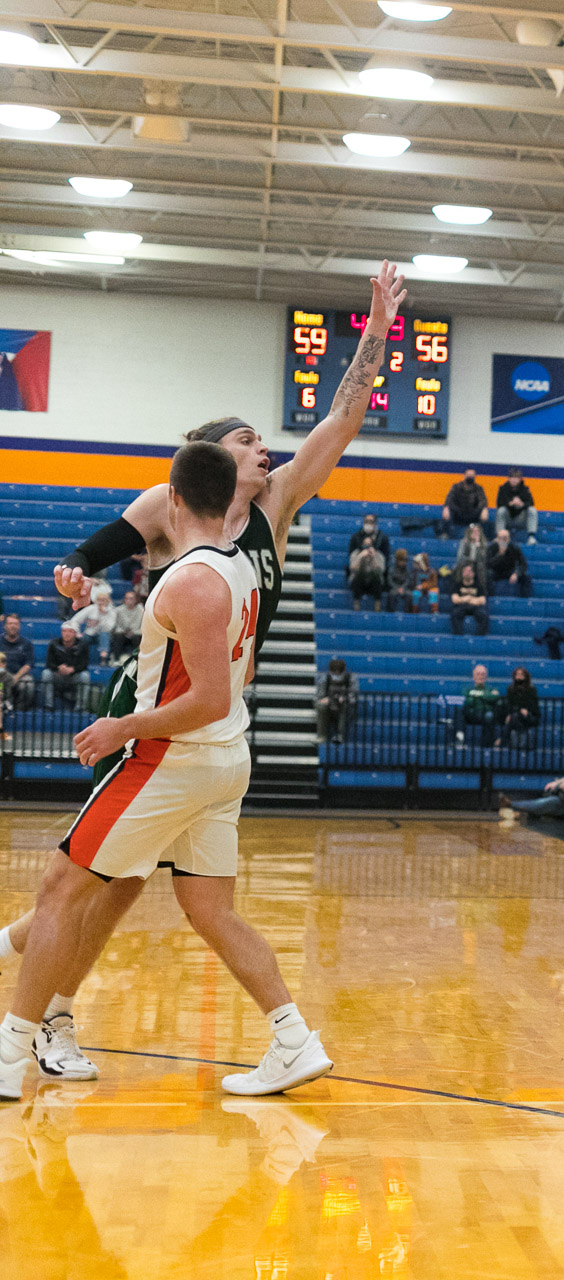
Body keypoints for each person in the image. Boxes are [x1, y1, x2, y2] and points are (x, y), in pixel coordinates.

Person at [0, 264, 407, 1080]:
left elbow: (345, 413)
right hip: (156, 706)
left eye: (263, 438)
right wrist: (76, 574)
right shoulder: (170, 504)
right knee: (101, 886)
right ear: (211, 463)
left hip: (208, 718)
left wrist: (376, 331)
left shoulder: (280, 501)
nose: (266, 446)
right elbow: (97, 549)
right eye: (248, 438)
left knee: (117, 885)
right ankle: (48, 1015)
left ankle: (32, 981)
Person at [4, 440, 328, 1101]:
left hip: (169, 759)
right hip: (222, 763)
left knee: (62, 891)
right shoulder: (241, 564)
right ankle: (294, 1040)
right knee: (211, 911)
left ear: (173, 499)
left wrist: (124, 726)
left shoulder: (190, 580)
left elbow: (208, 698)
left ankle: (10, 1052)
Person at [37, 623, 91, 710]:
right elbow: (49, 663)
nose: (67, 633)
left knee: (85, 676)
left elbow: (84, 664)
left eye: (70, 631)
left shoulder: (83, 645)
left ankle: (80, 707)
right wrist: (58, 668)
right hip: (58, 675)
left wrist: (73, 669)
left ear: (75, 633)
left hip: (74, 676)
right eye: (64, 631)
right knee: (46, 674)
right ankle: (48, 705)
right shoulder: (54, 644)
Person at [314, 656, 357, 744]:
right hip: (329, 705)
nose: (337, 675)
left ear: (343, 671)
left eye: (339, 673)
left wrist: (345, 698)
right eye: (334, 673)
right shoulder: (325, 678)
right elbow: (318, 697)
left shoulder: (350, 678)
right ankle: (322, 736)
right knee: (320, 706)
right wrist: (323, 699)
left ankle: (339, 735)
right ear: (330, 671)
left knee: (344, 706)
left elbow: (353, 697)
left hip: (344, 706)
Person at [459, 664, 502, 747]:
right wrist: (485, 696)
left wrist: (477, 696)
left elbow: (494, 697)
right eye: (478, 674)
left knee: (489, 716)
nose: (480, 676)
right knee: (460, 711)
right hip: (472, 714)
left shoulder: (492, 689)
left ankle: (486, 745)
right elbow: (468, 701)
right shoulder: (467, 689)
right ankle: (459, 739)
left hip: (485, 714)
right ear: (473, 676)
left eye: (483, 674)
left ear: (486, 676)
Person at [438, 468, 489, 538]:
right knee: (447, 511)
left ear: (475, 477)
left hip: (473, 515)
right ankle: (445, 535)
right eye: (468, 475)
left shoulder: (479, 488)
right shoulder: (456, 487)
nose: (470, 477)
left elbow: (483, 501)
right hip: (458, 514)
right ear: (464, 475)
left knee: (484, 515)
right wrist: (446, 507)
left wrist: (484, 509)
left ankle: (483, 538)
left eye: (472, 476)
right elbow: (449, 499)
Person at [485, 527, 532, 599]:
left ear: (509, 539)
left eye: (505, 538)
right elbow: (488, 564)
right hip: (496, 572)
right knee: (486, 576)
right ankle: (490, 598)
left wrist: (516, 573)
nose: (502, 541)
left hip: (510, 572)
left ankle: (526, 600)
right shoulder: (492, 548)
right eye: (500, 538)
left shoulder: (514, 548)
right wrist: (500, 555)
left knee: (526, 577)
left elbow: (523, 565)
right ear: (497, 539)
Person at [0, 614, 35, 711]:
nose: (13, 626)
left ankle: (20, 712)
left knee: (28, 683)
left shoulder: (26, 643)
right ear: (5, 626)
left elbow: (28, 664)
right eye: (10, 623)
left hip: (18, 676)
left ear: (19, 626)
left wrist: (15, 677)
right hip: (1, 676)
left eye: (15, 623)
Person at [502, 666, 540, 749]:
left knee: (515, 718)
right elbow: (509, 705)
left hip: (529, 716)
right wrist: (518, 710)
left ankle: (504, 742)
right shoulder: (511, 689)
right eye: (517, 674)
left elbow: (533, 707)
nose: (519, 677)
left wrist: (525, 711)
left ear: (526, 676)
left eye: (521, 674)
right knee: (515, 717)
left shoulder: (531, 690)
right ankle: (522, 744)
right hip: (516, 715)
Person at [495, 466, 537, 541]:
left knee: (532, 510)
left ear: (520, 479)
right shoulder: (503, 489)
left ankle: (531, 536)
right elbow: (499, 504)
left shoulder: (525, 489)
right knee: (501, 510)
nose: (514, 480)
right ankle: (499, 536)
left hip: (521, 518)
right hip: (508, 518)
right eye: (512, 478)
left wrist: (522, 504)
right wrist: (510, 503)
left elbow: (531, 502)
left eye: (516, 478)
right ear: (508, 478)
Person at [448, 564, 489, 637]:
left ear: (473, 573)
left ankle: (480, 637)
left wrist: (467, 599)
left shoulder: (478, 585)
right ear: (462, 573)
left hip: (475, 607)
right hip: (461, 606)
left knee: (483, 615)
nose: (467, 573)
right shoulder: (457, 584)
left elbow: (483, 600)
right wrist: (467, 599)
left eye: (469, 571)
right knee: (455, 614)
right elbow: (454, 599)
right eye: (465, 571)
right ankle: (458, 636)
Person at [345, 512, 388, 582]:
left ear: (375, 524)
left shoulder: (383, 539)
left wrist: (373, 555)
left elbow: (385, 560)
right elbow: (351, 558)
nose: (368, 524)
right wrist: (361, 554)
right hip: (359, 572)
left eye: (371, 522)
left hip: (375, 574)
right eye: (366, 521)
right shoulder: (355, 537)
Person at [348, 540, 387, 611]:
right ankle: (356, 603)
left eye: (369, 544)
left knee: (377, 579)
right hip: (360, 581)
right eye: (365, 544)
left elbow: (381, 571)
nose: (367, 546)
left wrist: (374, 558)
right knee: (357, 578)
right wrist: (360, 557)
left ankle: (377, 604)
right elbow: (352, 569)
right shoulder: (356, 553)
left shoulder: (378, 554)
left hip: (373, 582)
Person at [452, 522, 490, 591]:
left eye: (477, 531)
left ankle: (482, 591)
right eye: (473, 531)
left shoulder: (484, 544)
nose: (475, 533)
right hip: (465, 565)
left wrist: (477, 546)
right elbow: (460, 558)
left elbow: (484, 559)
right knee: (460, 569)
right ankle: (457, 591)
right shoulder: (464, 542)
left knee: (481, 568)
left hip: (478, 566)